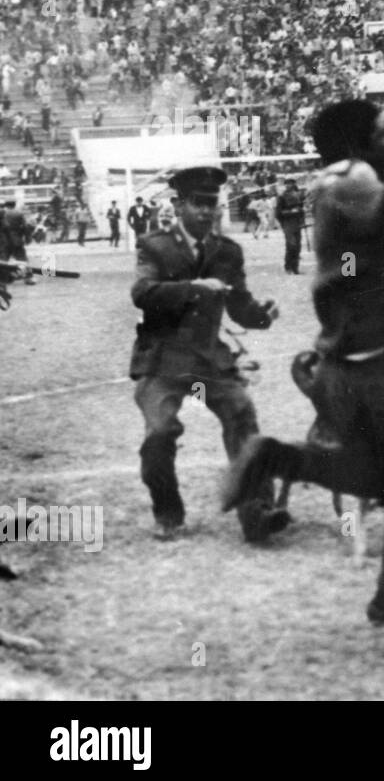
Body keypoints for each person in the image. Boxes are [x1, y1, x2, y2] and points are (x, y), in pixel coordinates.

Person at [221, 72, 384, 625]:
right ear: (359, 146)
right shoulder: (350, 180)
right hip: (382, 375)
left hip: (352, 371)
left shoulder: (357, 202)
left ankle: (279, 459)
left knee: (383, 480)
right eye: (382, 132)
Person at [129, 165, 284, 542]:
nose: (205, 212)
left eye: (211, 204)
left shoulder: (228, 252)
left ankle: (257, 511)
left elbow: (239, 306)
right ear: (179, 205)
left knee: (242, 414)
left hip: (208, 361)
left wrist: (261, 315)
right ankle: (168, 512)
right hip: (163, 359)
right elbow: (143, 293)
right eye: (197, 204)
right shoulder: (155, 245)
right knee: (160, 433)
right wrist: (195, 288)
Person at [275, 177, 307, 274]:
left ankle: (295, 268)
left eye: (291, 184)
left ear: (294, 185)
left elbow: (302, 209)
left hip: (297, 223)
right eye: (287, 184)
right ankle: (288, 266)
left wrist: (301, 215)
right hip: (288, 222)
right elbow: (278, 213)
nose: (289, 185)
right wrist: (290, 213)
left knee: (298, 246)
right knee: (291, 245)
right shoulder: (282, 197)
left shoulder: (299, 196)